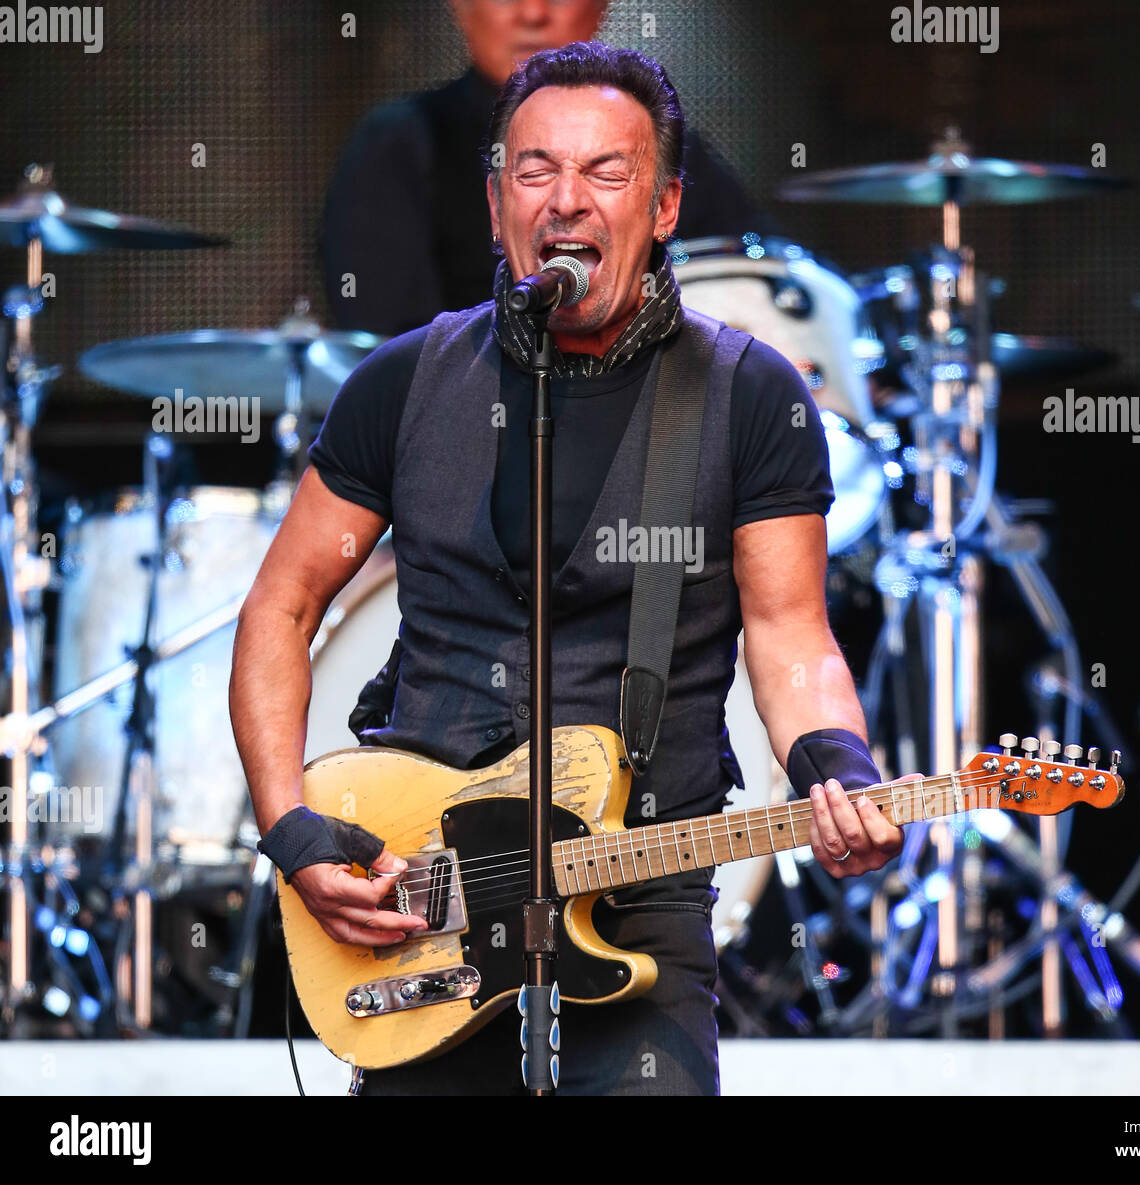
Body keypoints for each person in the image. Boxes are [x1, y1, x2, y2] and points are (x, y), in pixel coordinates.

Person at [231, 42, 901, 1096]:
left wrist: (835, 762)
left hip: (638, 899)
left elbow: (790, 631)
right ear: (497, 202)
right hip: (423, 895)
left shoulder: (748, 394)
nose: (567, 200)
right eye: (536, 170)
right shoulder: (403, 383)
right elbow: (281, 606)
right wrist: (290, 828)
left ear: (665, 207)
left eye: (606, 172)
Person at [319, 0, 773, 336]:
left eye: (607, 173)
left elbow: (762, 278)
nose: (533, 12)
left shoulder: (663, 146)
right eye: (535, 173)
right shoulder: (401, 142)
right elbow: (389, 340)